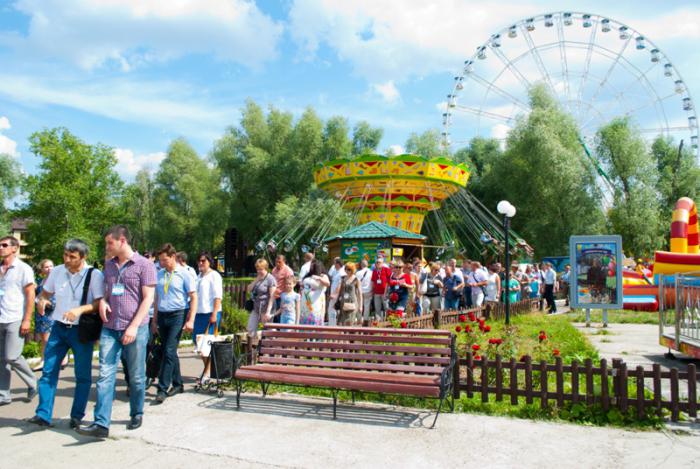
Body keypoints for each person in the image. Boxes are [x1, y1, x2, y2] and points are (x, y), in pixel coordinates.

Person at [76, 226, 156, 438]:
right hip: (110, 327)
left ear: (122, 241)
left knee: (137, 377)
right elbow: (106, 292)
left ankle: (136, 413)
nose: (106, 247)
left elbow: (148, 299)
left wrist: (133, 326)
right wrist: (102, 301)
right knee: (104, 375)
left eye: (109, 243)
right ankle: (101, 423)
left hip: (135, 330)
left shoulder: (144, 265)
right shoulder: (109, 265)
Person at [27, 239, 104, 428]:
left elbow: (98, 303)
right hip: (58, 328)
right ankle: (43, 415)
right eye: (65, 255)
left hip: (81, 330)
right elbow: (44, 293)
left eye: (72, 257)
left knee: (83, 375)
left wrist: (79, 310)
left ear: (83, 257)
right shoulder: (57, 271)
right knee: (48, 372)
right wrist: (41, 301)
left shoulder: (94, 275)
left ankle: (77, 416)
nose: (67, 259)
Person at [152, 244, 196, 404]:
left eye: (164, 259)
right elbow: (157, 298)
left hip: (178, 314)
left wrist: (190, 319)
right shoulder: (160, 274)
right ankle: (178, 384)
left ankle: (162, 388)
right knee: (168, 350)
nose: (162, 263)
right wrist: (154, 319)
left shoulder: (184, 274)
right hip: (163, 314)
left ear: (173, 257)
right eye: (160, 260)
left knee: (169, 351)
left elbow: (193, 297)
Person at [0, 236, 37, 406]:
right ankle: (3, 394)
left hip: (15, 318)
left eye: (4, 245)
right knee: (1, 359)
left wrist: (27, 320)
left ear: (15, 248)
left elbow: (30, 295)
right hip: (0, 318)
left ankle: (33, 383)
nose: (1, 247)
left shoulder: (23, 269)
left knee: (12, 356)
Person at [33, 259, 67, 372]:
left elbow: (60, 297)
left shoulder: (57, 280)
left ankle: (52, 360)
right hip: (41, 313)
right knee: (43, 338)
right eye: (46, 267)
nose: (49, 269)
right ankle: (45, 359)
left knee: (49, 338)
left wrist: (49, 303)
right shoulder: (40, 281)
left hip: (52, 312)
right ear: (42, 269)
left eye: (51, 266)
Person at [194, 252, 223, 384]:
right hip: (199, 313)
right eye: (199, 261)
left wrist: (214, 313)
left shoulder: (214, 275)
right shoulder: (198, 276)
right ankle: (208, 370)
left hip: (210, 313)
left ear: (209, 262)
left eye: (203, 261)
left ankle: (207, 373)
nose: (200, 263)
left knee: (206, 344)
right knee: (199, 344)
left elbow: (217, 296)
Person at [246, 259, 276, 335]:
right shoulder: (258, 277)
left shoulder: (270, 279)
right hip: (256, 307)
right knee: (251, 328)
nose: (259, 271)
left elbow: (272, 297)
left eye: (261, 269)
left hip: (266, 308)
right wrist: (256, 280)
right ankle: (252, 345)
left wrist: (268, 312)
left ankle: (273, 344)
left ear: (265, 268)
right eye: (257, 269)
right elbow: (249, 289)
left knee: (268, 330)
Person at [299, 260, 329, 325]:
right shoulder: (308, 275)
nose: (311, 267)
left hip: (316, 302)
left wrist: (319, 278)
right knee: (305, 316)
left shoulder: (323, 276)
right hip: (306, 300)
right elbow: (302, 284)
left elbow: (328, 284)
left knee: (315, 317)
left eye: (313, 266)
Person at [271, 255, 294, 323]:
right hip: (274, 296)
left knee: (280, 317)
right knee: (274, 317)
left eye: (279, 262)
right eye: (276, 262)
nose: (277, 263)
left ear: (284, 261)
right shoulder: (274, 269)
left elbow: (291, 284)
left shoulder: (288, 270)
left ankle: (280, 332)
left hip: (282, 297)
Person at [327, 257, 345, 326]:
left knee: (332, 309)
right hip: (333, 294)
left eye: (335, 263)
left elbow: (340, 285)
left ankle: (333, 325)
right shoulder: (335, 271)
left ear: (338, 264)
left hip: (337, 295)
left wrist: (335, 294)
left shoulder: (342, 273)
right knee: (332, 310)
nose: (334, 265)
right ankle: (332, 324)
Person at [356, 259, 373, 323]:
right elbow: (372, 282)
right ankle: (365, 320)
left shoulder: (357, 273)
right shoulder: (371, 272)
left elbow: (356, 283)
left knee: (359, 305)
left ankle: (359, 319)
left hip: (359, 291)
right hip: (368, 291)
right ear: (367, 265)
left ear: (361, 265)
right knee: (367, 306)